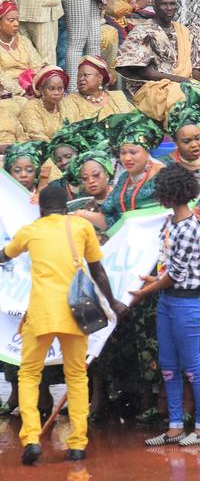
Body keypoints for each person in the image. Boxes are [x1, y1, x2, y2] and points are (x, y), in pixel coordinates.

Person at [2, 183, 128, 466]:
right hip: (76, 313)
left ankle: (32, 438)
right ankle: (77, 444)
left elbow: (5, 255)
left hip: (41, 315)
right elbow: (98, 270)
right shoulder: (81, 228)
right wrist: (113, 302)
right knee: (76, 376)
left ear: (41, 207)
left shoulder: (31, 231)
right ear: (67, 204)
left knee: (29, 375)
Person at [129, 164, 200, 448]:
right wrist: (153, 281)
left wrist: (145, 291)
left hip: (186, 303)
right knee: (168, 365)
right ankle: (175, 425)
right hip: (169, 300)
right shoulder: (170, 223)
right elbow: (170, 270)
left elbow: (175, 275)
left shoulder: (187, 227)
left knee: (191, 365)